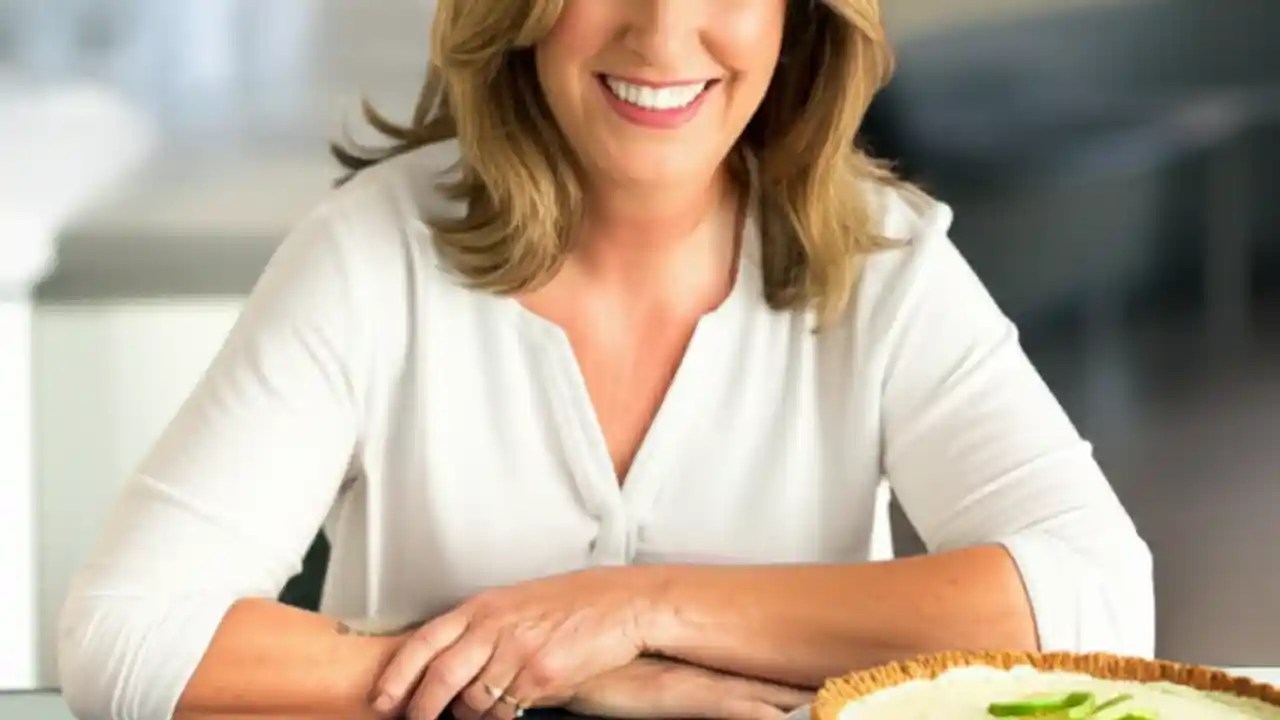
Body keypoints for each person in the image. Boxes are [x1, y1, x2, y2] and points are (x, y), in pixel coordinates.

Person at [57, 1, 1155, 719]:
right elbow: (125, 638)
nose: (662, 36)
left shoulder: (885, 262)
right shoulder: (371, 253)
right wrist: (555, 677)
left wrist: (641, 609)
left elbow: (1097, 601)